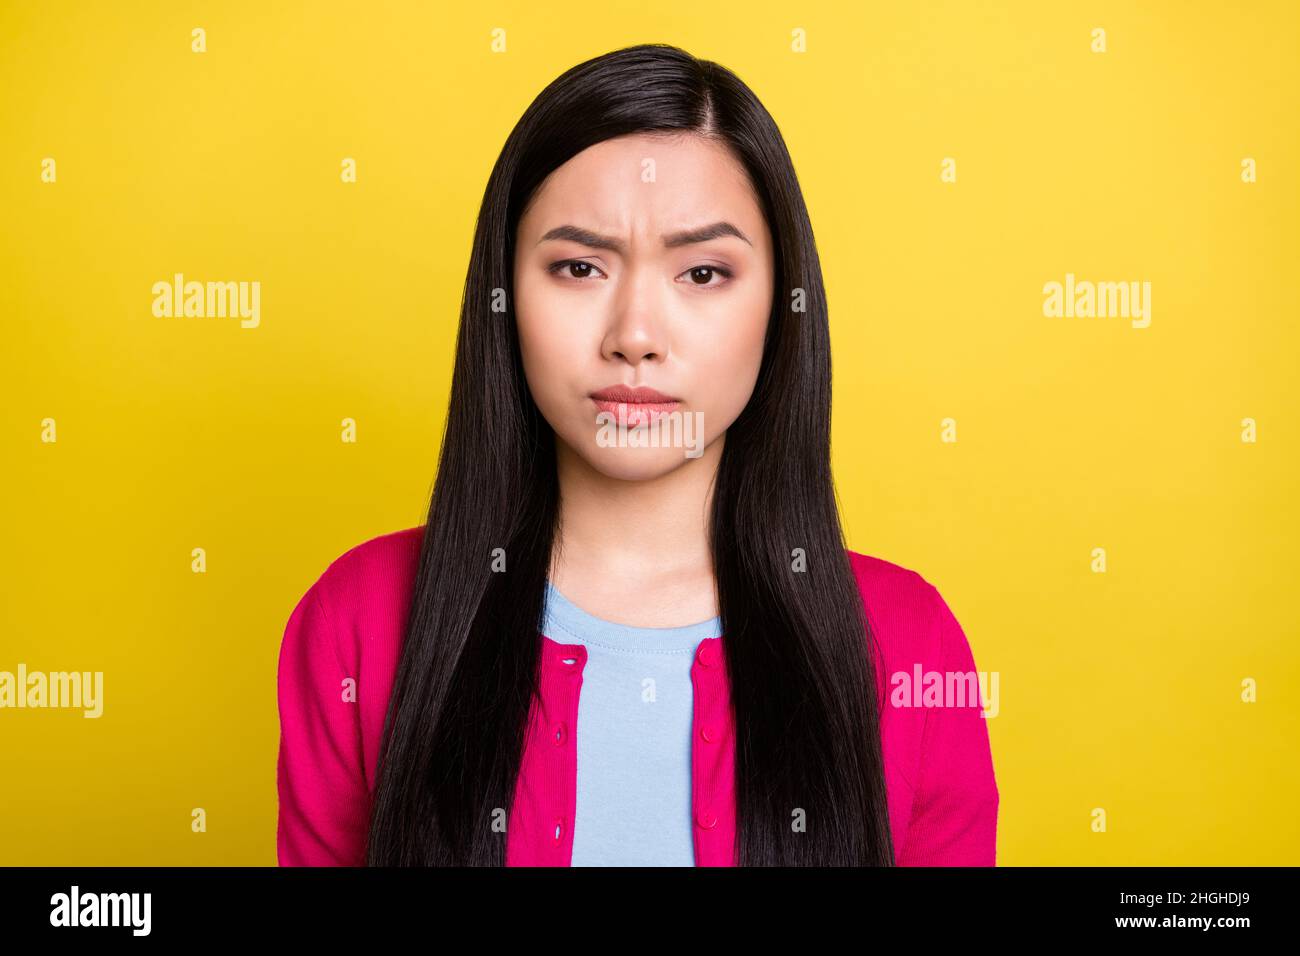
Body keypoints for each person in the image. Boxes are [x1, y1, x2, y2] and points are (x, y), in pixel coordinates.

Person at [276, 42, 998, 867]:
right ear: (504, 298)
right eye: (579, 266)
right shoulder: (360, 623)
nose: (636, 337)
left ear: (782, 304)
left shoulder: (911, 646)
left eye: (701, 272)